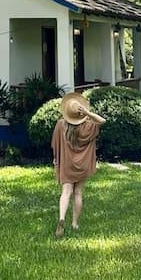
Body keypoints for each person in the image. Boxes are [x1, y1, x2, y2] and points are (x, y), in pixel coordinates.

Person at [51, 92, 106, 238]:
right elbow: (102, 121)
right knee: (78, 192)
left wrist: (56, 159)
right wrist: (88, 113)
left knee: (66, 192)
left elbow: (55, 146)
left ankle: (62, 217)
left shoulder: (60, 125)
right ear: (81, 112)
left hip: (67, 164)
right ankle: (74, 223)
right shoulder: (88, 127)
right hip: (82, 164)